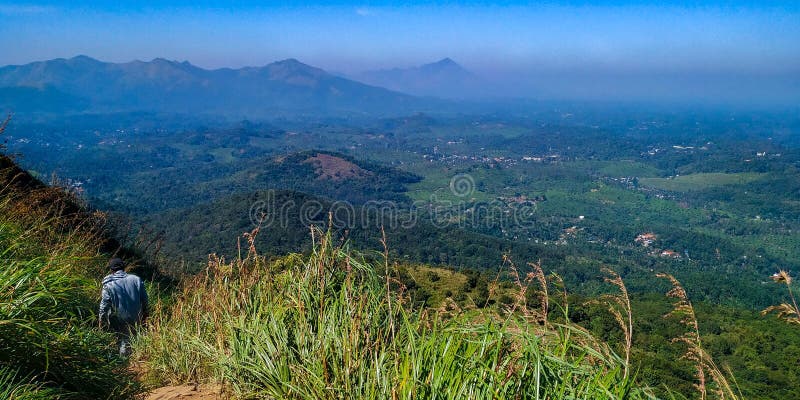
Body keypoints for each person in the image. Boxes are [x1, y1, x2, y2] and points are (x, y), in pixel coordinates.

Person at [98, 258, 148, 357]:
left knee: (123, 339)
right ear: (124, 268)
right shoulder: (136, 279)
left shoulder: (108, 283)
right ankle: (136, 358)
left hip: (119, 318)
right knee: (134, 338)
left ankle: (123, 363)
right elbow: (145, 300)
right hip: (137, 316)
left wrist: (102, 321)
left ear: (111, 270)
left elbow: (104, 306)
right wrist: (146, 313)